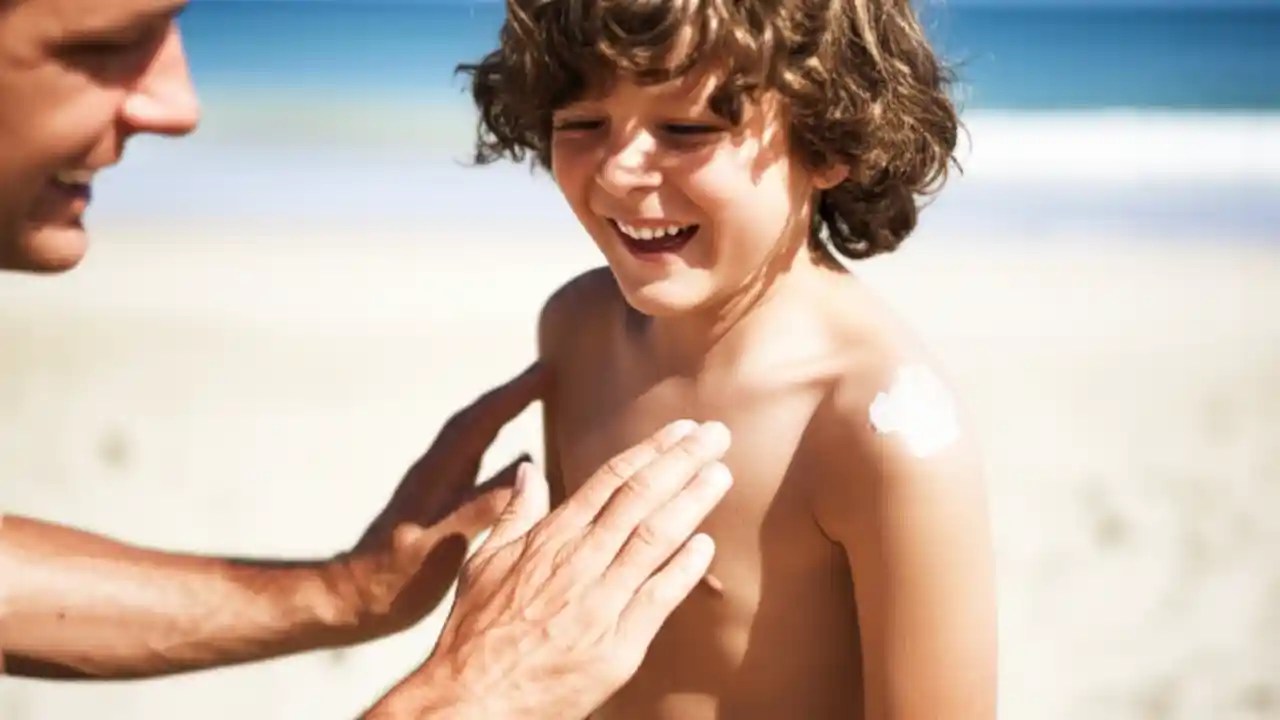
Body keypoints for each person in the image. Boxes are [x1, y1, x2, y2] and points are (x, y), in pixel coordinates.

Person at [0, 0, 736, 717]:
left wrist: (342, 592)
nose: (181, 107)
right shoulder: (579, 323)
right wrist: (469, 696)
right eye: (96, 47)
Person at [460, 0, 999, 717]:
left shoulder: (880, 429)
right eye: (581, 123)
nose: (620, 174)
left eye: (686, 129)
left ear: (830, 138)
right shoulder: (576, 329)